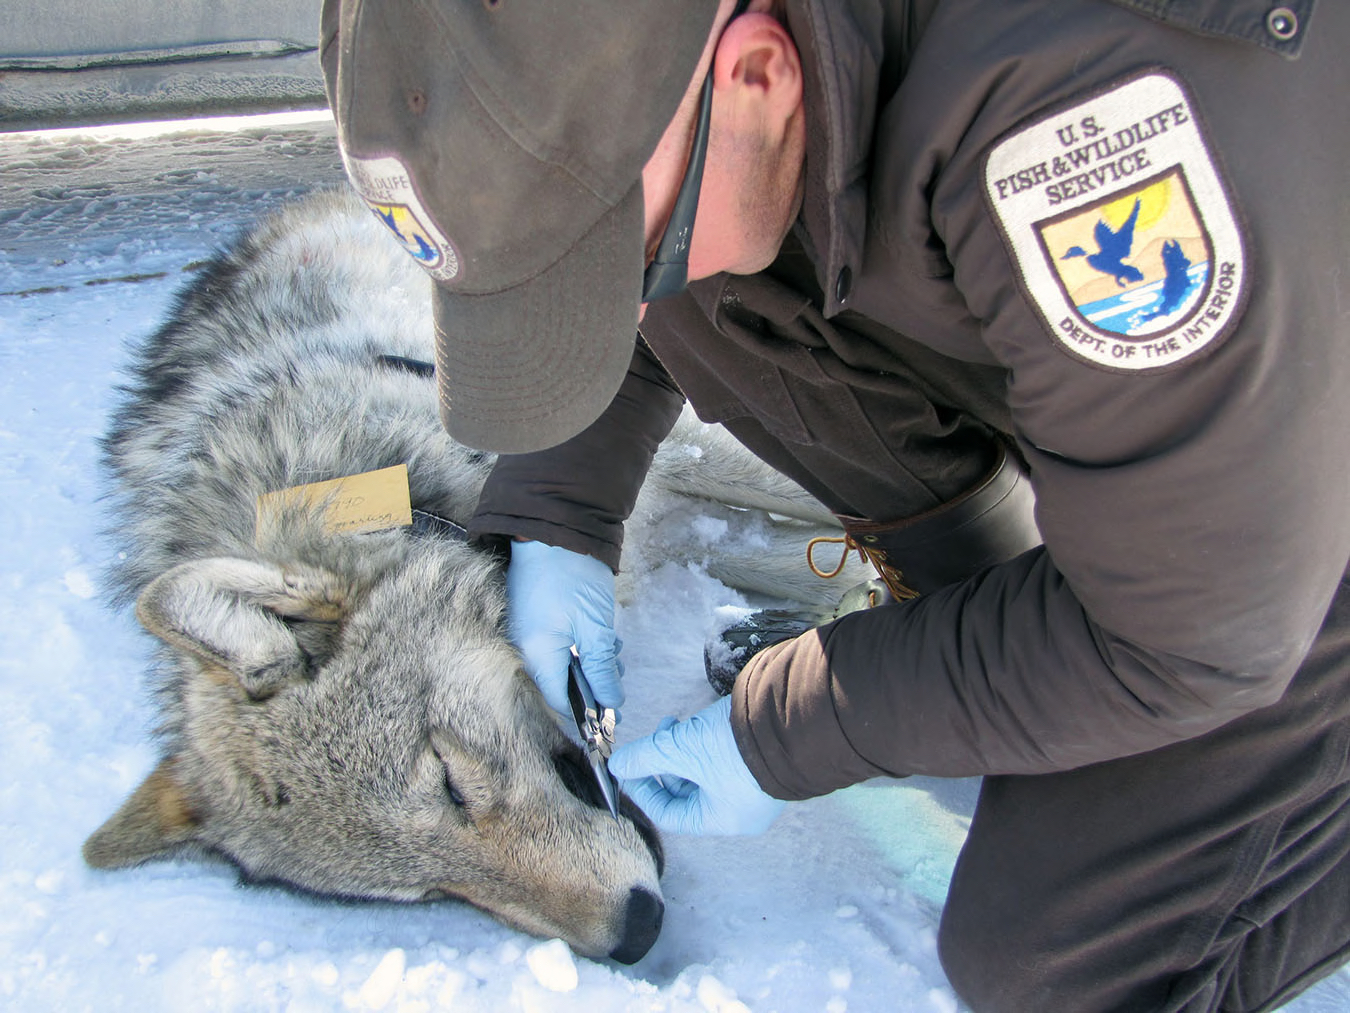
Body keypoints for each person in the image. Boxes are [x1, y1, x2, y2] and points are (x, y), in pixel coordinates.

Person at [321, 1, 1350, 1009]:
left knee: (1059, 959)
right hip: (1210, 440)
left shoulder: (1079, 127)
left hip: (1287, 497)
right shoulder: (725, 72)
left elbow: (1193, 633)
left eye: (615, 268)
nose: (624, 309)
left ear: (758, 75)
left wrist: (794, 726)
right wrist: (561, 507)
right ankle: (1023, 625)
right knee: (715, 259)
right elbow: (658, 247)